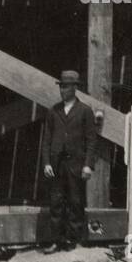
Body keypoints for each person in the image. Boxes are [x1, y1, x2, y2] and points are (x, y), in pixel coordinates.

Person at [41, 70, 98, 252]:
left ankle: (72, 241)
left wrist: (88, 165)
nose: (62, 90)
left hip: (76, 165)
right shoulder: (53, 111)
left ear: (74, 88)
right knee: (56, 202)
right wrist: (46, 163)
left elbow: (91, 140)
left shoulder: (85, 111)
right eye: (61, 86)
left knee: (75, 201)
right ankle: (55, 240)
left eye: (66, 86)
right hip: (57, 165)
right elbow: (47, 140)